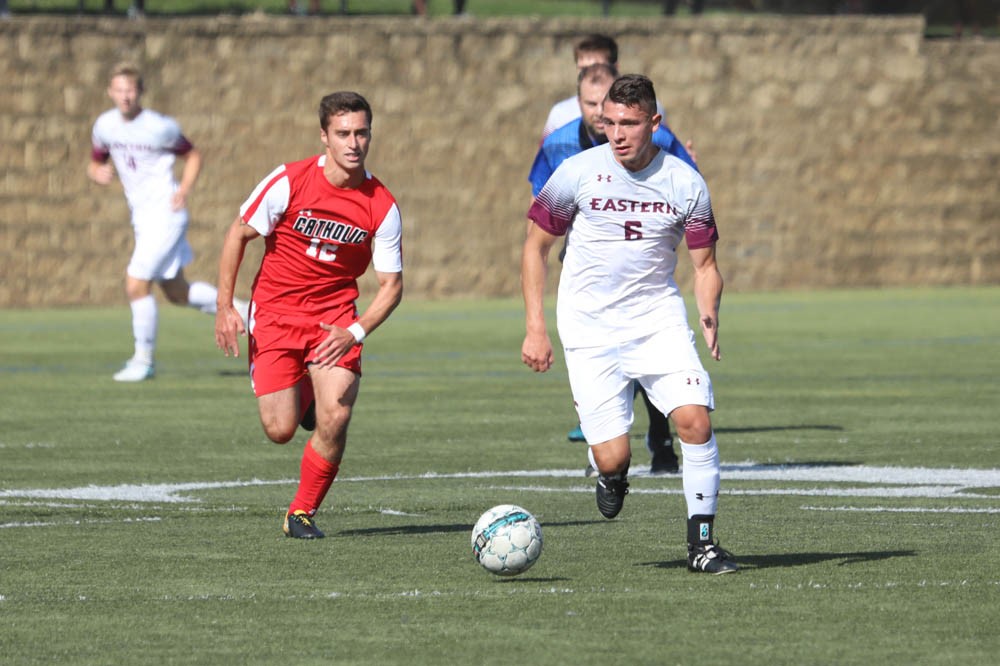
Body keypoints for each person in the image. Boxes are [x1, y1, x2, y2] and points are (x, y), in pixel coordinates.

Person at [521, 74, 737, 574]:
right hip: (589, 327)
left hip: (655, 319)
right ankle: (611, 475)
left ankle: (702, 545)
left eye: (630, 124)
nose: (617, 134)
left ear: (654, 123)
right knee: (614, 456)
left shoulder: (685, 181)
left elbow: (705, 266)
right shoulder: (576, 172)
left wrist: (709, 311)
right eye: (610, 123)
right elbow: (535, 248)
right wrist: (536, 326)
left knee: (695, 421)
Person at [214, 91, 403, 540]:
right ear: (324, 137)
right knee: (280, 430)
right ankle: (304, 396)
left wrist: (354, 332)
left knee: (336, 413)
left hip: (333, 319)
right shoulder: (289, 180)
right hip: (276, 314)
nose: (353, 143)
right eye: (343, 134)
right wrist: (225, 307)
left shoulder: (382, 205)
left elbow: (392, 287)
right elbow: (238, 234)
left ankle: (301, 512)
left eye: (361, 133)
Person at [536, 57, 695, 474]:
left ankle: (660, 439)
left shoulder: (652, 137)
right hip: (586, 280)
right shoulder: (560, 145)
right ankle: (605, 444)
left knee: (656, 362)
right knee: (612, 449)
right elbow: (542, 211)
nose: (597, 116)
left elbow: (684, 187)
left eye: (601, 105)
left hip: (644, 279)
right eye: (589, 105)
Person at [88, 62, 244, 382]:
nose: (125, 96)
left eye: (130, 90)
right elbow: (95, 161)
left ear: (140, 92)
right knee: (176, 291)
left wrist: (183, 190)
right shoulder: (104, 125)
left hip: (166, 213)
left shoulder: (159, 126)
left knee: (135, 282)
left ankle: (143, 361)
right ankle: (251, 315)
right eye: (119, 90)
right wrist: (97, 173)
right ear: (110, 92)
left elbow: (194, 155)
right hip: (142, 218)